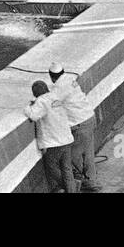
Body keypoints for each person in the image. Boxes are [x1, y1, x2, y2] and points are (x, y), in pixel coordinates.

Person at [49, 63, 100, 192]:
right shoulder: (70, 79)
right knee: (88, 152)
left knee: (70, 157)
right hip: (89, 118)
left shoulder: (58, 88)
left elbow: (49, 104)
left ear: (52, 77)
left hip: (80, 124)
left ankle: (75, 182)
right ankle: (91, 181)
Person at [25, 80, 76, 192]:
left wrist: (28, 107)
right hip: (66, 137)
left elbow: (33, 115)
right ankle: (72, 188)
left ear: (35, 93)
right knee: (67, 168)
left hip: (54, 141)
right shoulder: (55, 97)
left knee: (50, 165)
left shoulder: (41, 101)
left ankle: (67, 185)